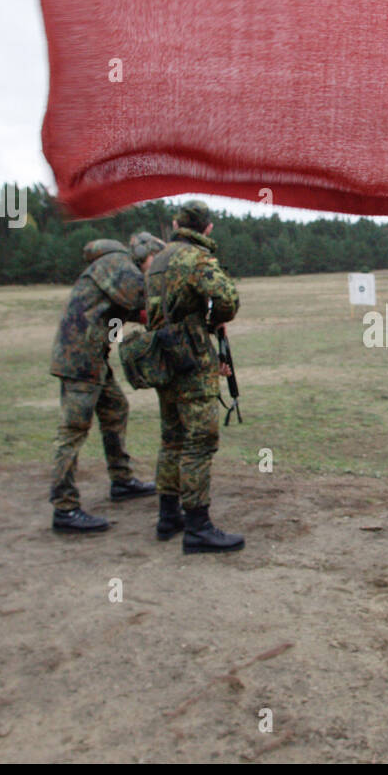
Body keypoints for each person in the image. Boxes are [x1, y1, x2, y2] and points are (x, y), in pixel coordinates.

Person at [48, 232, 166, 532]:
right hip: (79, 357)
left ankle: (122, 480)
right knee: (73, 430)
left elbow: (136, 312)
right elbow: (145, 302)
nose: (156, 269)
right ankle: (65, 508)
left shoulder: (119, 268)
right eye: (156, 262)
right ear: (144, 255)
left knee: (116, 408)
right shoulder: (120, 265)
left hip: (91, 355)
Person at [147, 203, 243, 553]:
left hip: (163, 360)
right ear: (209, 228)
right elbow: (228, 299)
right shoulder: (196, 258)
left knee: (171, 438)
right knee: (199, 441)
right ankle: (198, 526)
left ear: (176, 224)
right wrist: (212, 320)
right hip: (191, 359)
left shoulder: (158, 259)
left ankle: (168, 515)